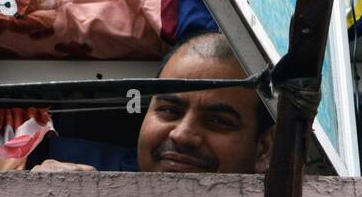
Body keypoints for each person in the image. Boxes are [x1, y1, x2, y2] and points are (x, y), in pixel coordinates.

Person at [26, 32, 274, 174]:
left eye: (218, 121)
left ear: (264, 148)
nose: (183, 135)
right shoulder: (88, 195)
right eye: (169, 111)